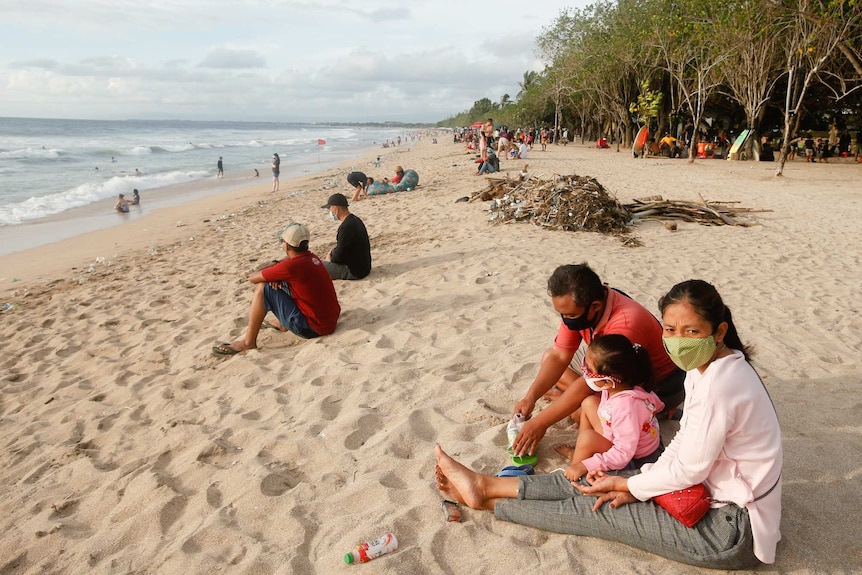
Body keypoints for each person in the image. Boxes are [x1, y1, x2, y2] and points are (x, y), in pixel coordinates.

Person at [434, 279, 783, 569]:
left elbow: (689, 469)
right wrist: (634, 481)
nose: (679, 340)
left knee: (598, 509)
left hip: (729, 528)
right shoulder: (706, 367)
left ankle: (489, 502)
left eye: (692, 331)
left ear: (719, 331)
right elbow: (682, 444)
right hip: (704, 489)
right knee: (596, 481)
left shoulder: (722, 385)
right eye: (670, 329)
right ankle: (487, 485)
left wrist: (631, 487)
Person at [510, 264, 684, 461]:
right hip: (608, 368)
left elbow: (588, 384)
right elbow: (559, 357)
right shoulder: (581, 309)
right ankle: (572, 406)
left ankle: (576, 409)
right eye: (562, 314)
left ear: (595, 306)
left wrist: (541, 423)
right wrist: (530, 397)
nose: (566, 320)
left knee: (587, 402)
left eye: (570, 315)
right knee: (548, 358)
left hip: (655, 387)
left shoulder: (625, 323)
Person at [211, 223, 340, 355]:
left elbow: (253, 278)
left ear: (286, 245)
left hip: (313, 328)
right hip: (329, 322)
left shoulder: (291, 267)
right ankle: (282, 323)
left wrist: (273, 270)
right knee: (285, 285)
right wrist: (278, 276)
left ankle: (248, 342)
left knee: (264, 287)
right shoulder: (312, 258)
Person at [553, 334, 665, 483]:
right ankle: (582, 454)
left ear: (607, 381)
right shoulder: (622, 386)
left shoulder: (626, 407)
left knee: (588, 438)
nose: (585, 371)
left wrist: (584, 465)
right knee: (589, 402)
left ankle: (575, 475)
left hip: (635, 461)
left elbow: (623, 454)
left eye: (588, 369)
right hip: (623, 441)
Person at [321, 193, 371, 280]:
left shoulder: (345, 227)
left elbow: (339, 256)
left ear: (336, 209)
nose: (330, 212)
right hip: (364, 267)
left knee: (315, 265)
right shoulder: (355, 219)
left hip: (354, 271)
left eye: (330, 209)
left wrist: (330, 257)